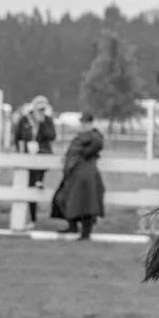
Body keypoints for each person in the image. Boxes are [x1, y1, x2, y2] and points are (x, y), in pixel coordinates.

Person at [51, 112, 105, 240]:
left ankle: (85, 232)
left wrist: (84, 153)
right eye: (82, 122)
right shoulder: (82, 136)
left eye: (85, 122)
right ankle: (72, 225)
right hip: (75, 173)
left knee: (85, 203)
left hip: (85, 174)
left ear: (90, 123)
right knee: (65, 198)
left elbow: (97, 145)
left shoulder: (94, 136)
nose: (83, 125)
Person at [28, 98, 56, 227]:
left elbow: (51, 136)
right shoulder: (26, 120)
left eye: (43, 109)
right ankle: (31, 217)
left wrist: (43, 123)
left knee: (35, 184)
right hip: (28, 155)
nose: (41, 111)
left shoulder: (47, 121)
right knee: (29, 187)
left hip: (42, 154)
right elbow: (19, 135)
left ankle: (39, 180)